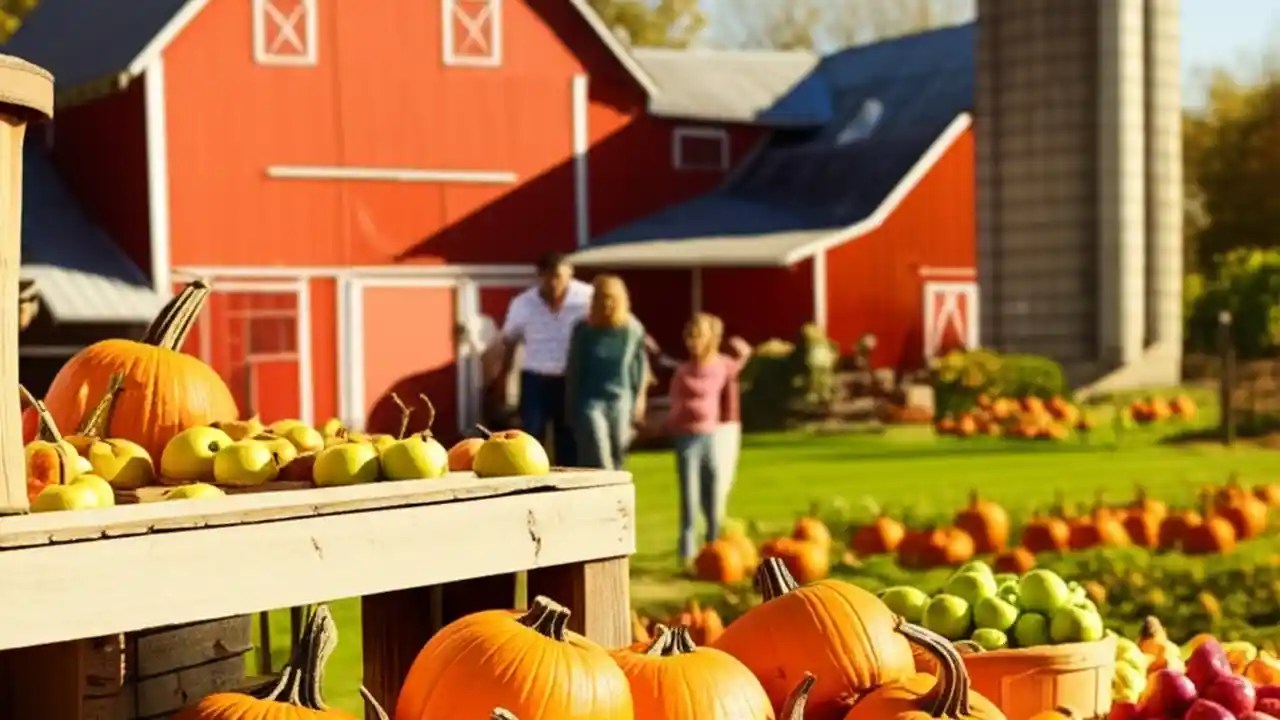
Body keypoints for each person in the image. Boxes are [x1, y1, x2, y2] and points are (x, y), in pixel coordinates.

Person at [668, 312, 753, 565]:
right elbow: (675, 401)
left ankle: (714, 546)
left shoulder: (721, 365)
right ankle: (687, 549)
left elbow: (741, 363)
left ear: (710, 339)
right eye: (690, 336)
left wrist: (744, 351)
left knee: (713, 491)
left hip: (711, 436)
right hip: (686, 438)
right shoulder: (683, 371)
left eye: (698, 336)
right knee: (690, 495)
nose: (693, 341)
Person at [500, 252, 593, 466]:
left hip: (571, 378)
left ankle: (567, 483)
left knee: (568, 436)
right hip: (535, 378)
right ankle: (531, 480)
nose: (554, 283)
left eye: (559, 276)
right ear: (539, 277)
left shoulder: (586, 298)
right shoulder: (523, 303)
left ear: (570, 274)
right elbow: (510, 341)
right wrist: (504, 378)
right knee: (531, 435)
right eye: (549, 277)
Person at [564, 275, 648, 470]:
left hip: (620, 398)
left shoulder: (631, 330)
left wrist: (640, 401)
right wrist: (570, 406)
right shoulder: (583, 330)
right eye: (602, 297)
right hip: (590, 399)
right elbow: (574, 369)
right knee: (598, 449)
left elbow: (640, 368)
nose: (607, 303)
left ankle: (618, 495)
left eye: (611, 298)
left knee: (618, 449)